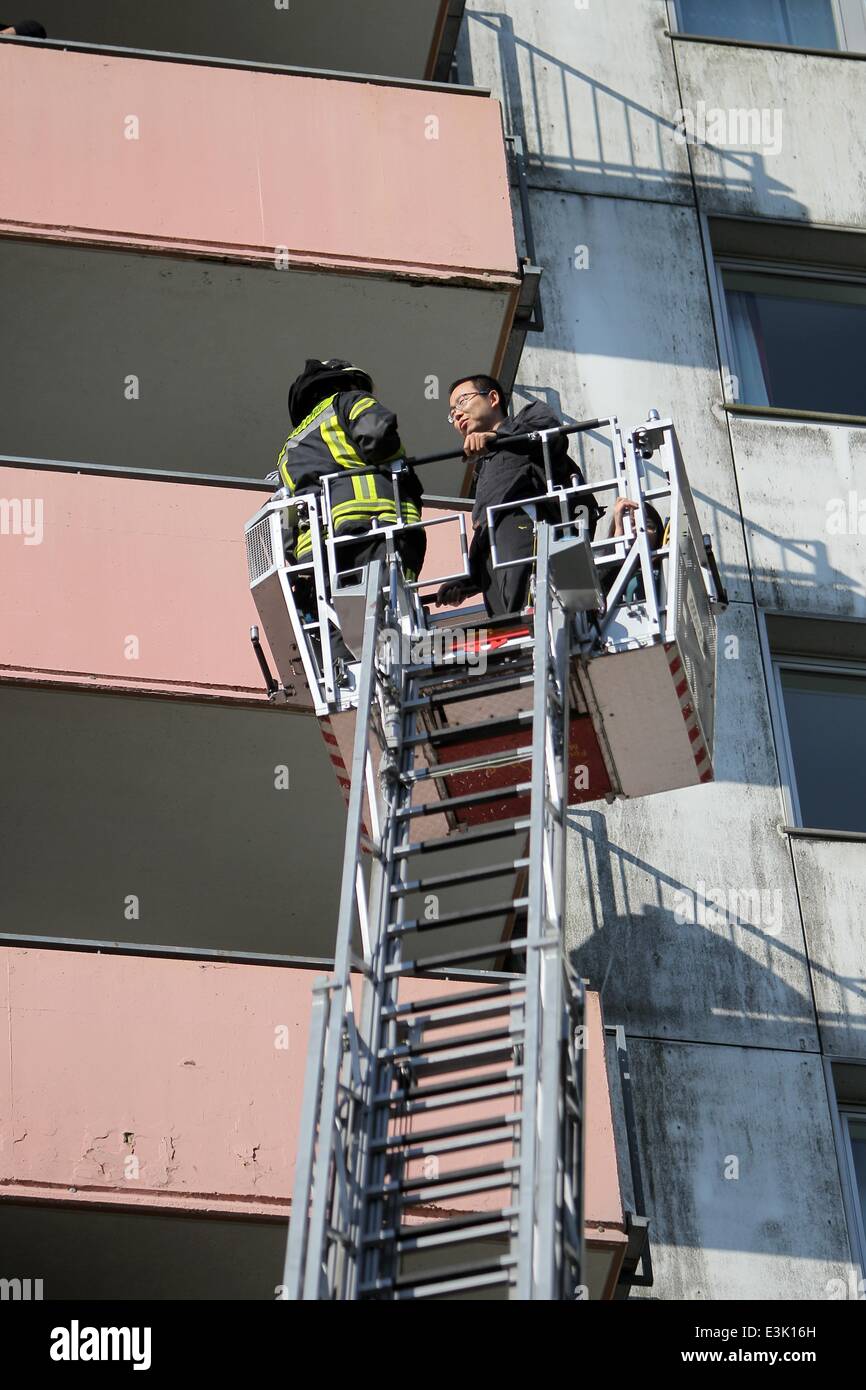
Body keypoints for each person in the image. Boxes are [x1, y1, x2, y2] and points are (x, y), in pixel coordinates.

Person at [435, 375, 599, 618]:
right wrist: (468, 581)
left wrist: (498, 436)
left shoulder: (530, 417)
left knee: (528, 614)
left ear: (492, 398)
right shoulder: (484, 467)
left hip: (523, 527)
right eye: (452, 412)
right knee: (508, 626)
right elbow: (484, 527)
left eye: (462, 402)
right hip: (492, 552)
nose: (457, 414)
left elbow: (550, 430)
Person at [266, 358, 426, 585]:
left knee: (348, 618)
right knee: (393, 608)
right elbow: (377, 436)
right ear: (346, 383)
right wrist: (395, 464)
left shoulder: (287, 451)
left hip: (317, 559)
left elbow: (284, 521)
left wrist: (300, 557)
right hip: (375, 528)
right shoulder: (348, 401)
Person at [600, 497, 666, 603]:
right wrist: (618, 536)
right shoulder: (610, 571)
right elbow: (600, 584)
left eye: (647, 525)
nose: (639, 531)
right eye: (631, 525)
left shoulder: (666, 565)